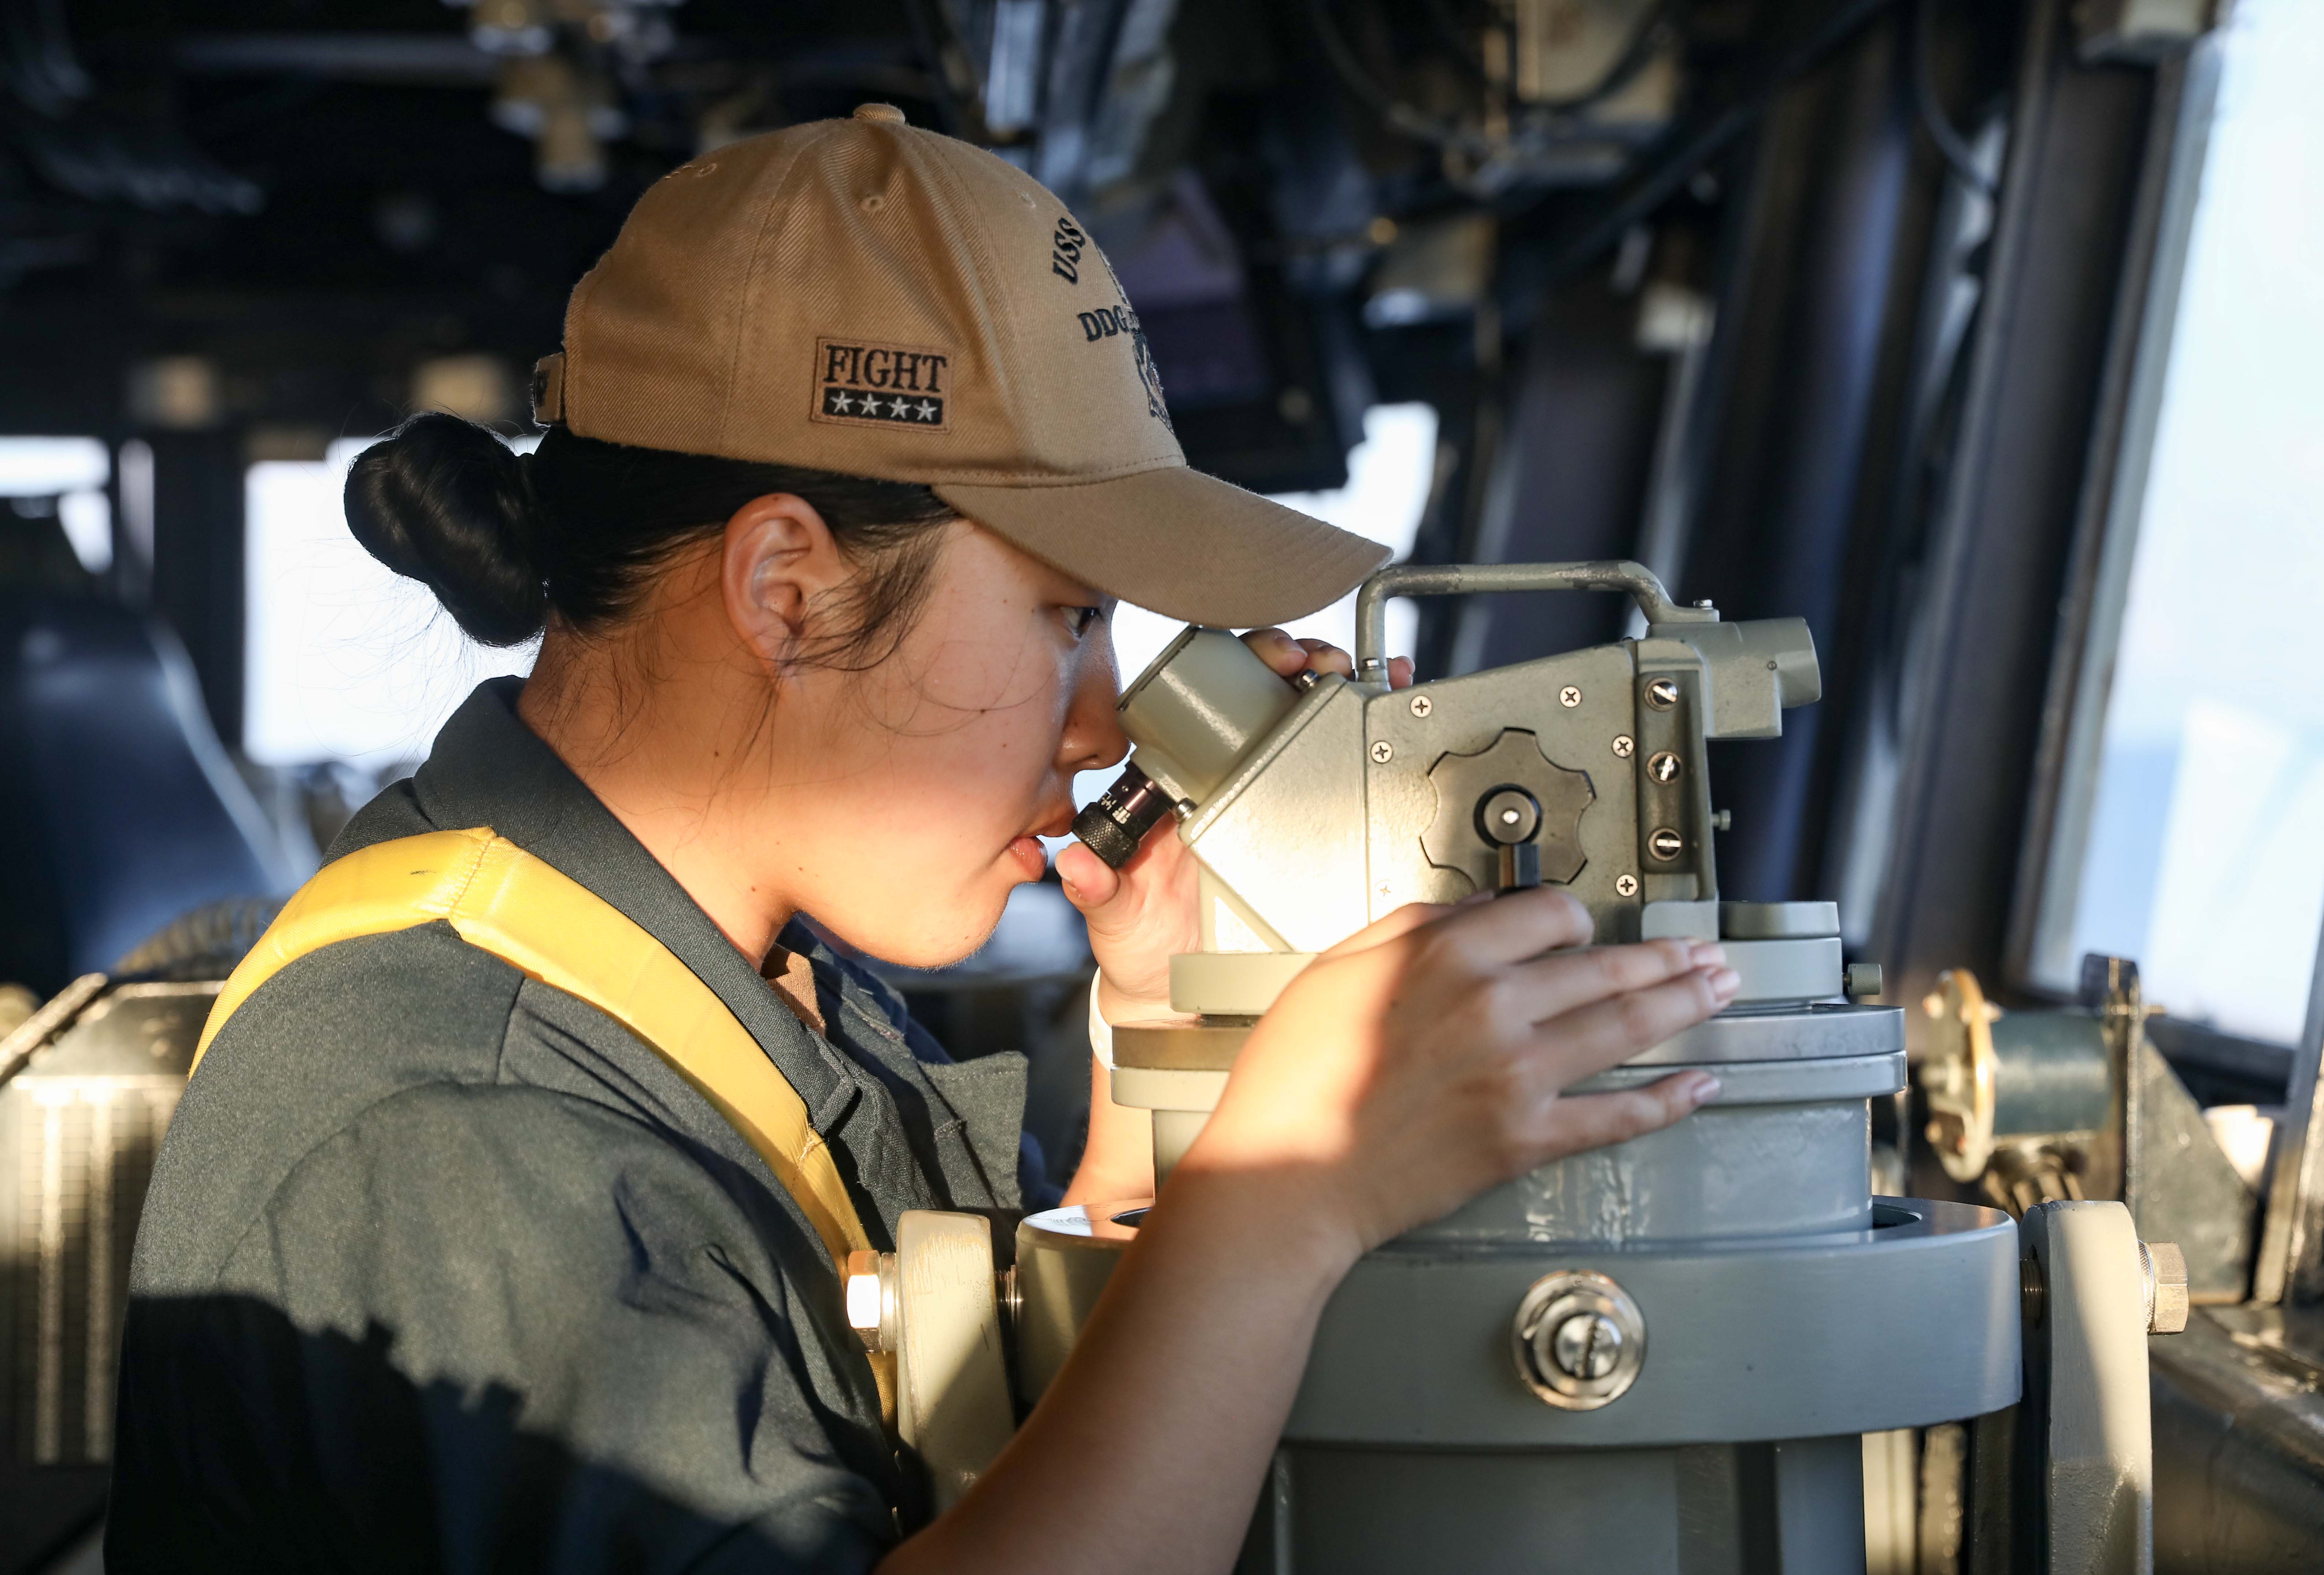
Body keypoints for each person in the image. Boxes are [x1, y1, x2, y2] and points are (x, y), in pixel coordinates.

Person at [108, 105, 1738, 1573]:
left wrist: (1166, 1062)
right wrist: (1282, 1201)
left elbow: (980, 1451)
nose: (1102, 718)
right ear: (785, 590)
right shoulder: (464, 1127)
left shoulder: (733, 972)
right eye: (1062, 617)